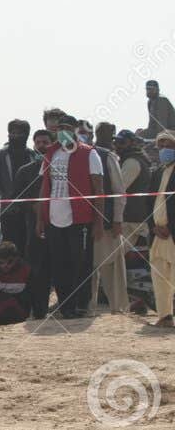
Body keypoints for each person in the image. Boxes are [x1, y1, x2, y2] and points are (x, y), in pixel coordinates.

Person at [37, 110, 103, 319]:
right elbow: (42, 187)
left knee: (81, 263)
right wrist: (40, 218)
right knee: (59, 263)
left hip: (80, 218)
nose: (63, 132)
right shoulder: (50, 154)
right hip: (54, 219)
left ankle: (81, 304)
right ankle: (65, 306)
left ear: (75, 130)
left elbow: (98, 189)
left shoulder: (88, 153)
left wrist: (98, 221)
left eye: (67, 129)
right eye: (60, 129)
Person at [88, 121, 129, 313]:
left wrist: (117, 220)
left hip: (107, 224)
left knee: (110, 268)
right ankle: (89, 307)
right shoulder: (91, 154)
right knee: (90, 269)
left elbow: (118, 192)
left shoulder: (108, 157)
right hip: (87, 222)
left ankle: (116, 307)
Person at [16, 128, 54, 317]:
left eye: (45, 142)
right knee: (37, 270)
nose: (41, 146)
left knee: (61, 266)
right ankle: (39, 310)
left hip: (58, 226)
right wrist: (34, 208)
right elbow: (18, 200)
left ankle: (65, 308)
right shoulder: (25, 171)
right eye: (38, 142)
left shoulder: (61, 169)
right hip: (34, 228)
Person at [0, 119, 40, 248]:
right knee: (9, 247)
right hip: (8, 212)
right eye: (12, 133)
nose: (15, 136)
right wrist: (5, 200)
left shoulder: (33, 155)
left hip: (29, 211)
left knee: (29, 246)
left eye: (19, 133)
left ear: (26, 135)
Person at [150, 131, 175, 327]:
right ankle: (165, 316)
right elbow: (148, 201)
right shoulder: (158, 171)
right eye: (160, 145)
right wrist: (154, 227)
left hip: (172, 232)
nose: (164, 149)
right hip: (158, 235)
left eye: (168, 145)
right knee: (159, 276)